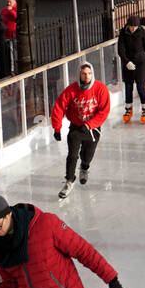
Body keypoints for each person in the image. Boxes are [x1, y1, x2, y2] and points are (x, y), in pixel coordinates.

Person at [50, 62, 110, 200]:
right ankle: (69, 181)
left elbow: (104, 112)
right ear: (79, 74)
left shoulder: (100, 88)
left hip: (93, 129)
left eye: (89, 73)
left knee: (87, 155)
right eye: (84, 74)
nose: (86, 76)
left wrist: (89, 124)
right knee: (72, 155)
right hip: (76, 128)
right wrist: (57, 128)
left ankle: (84, 168)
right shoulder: (71, 90)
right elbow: (59, 107)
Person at [116, 16, 145, 124]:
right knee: (128, 87)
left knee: (141, 87)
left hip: (141, 63)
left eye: (135, 27)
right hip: (128, 64)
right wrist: (126, 62)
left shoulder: (141, 32)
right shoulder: (123, 33)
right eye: (131, 27)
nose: (133, 29)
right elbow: (120, 50)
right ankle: (128, 109)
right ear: (128, 25)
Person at [0, 0, 18, 77]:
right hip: (6, 35)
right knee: (9, 53)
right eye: (7, 2)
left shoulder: (15, 9)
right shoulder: (4, 10)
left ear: (14, 2)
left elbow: (16, 18)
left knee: (14, 52)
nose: (8, 3)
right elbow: (1, 19)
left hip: (13, 34)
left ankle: (14, 68)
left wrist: (11, 11)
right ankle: (10, 69)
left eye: (10, 2)